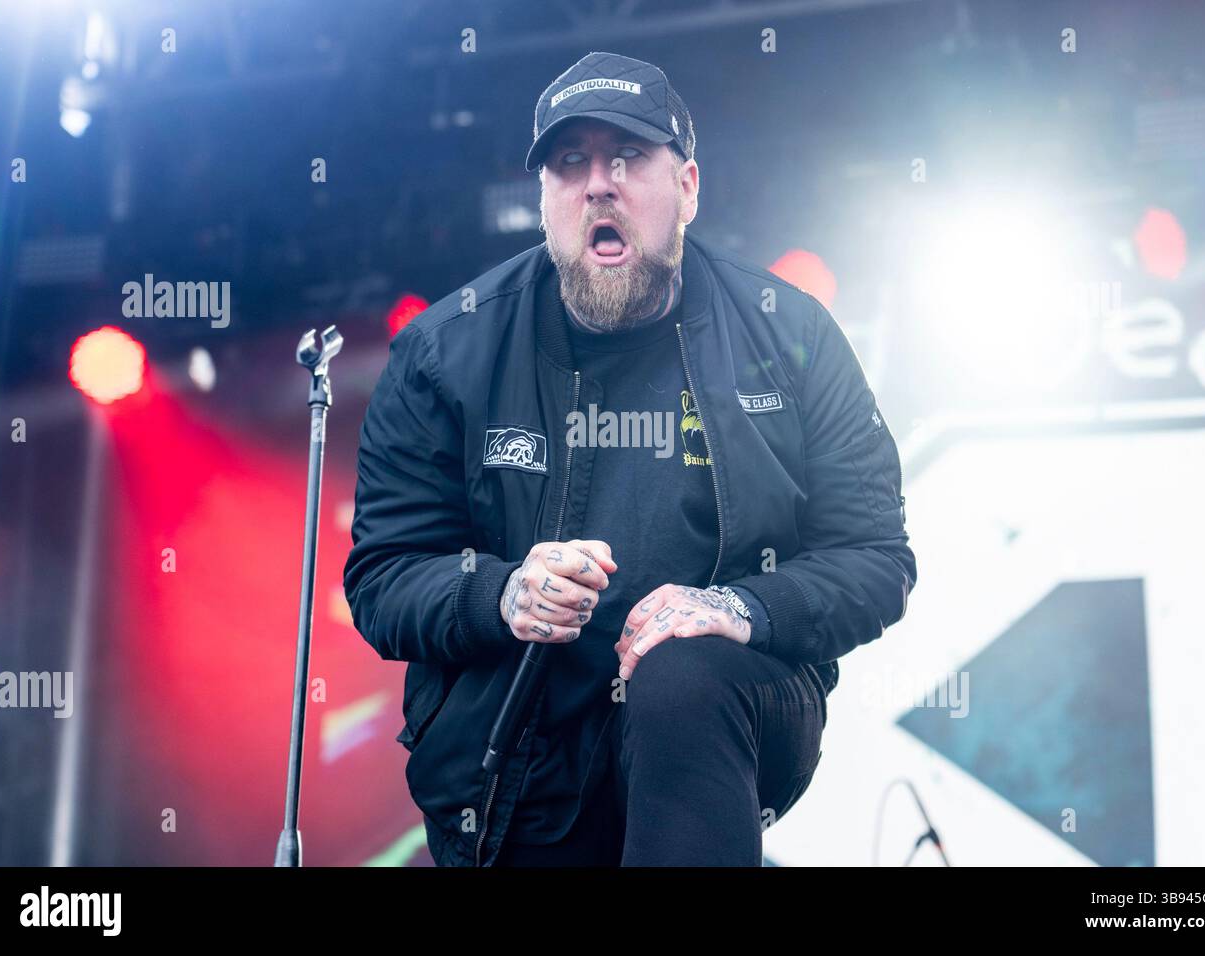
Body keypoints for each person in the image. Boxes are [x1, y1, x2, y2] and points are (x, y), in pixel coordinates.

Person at [343, 51, 917, 867]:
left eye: (627, 157)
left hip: (727, 721)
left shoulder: (791, 334)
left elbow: (875, 558)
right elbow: (383, 577)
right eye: (570, 162)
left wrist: (744, 608)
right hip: (514, 773)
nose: (598, 184)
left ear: (687, 186)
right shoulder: (445, 353)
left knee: (682, 673)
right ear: (543, 199)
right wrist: (500, 593)